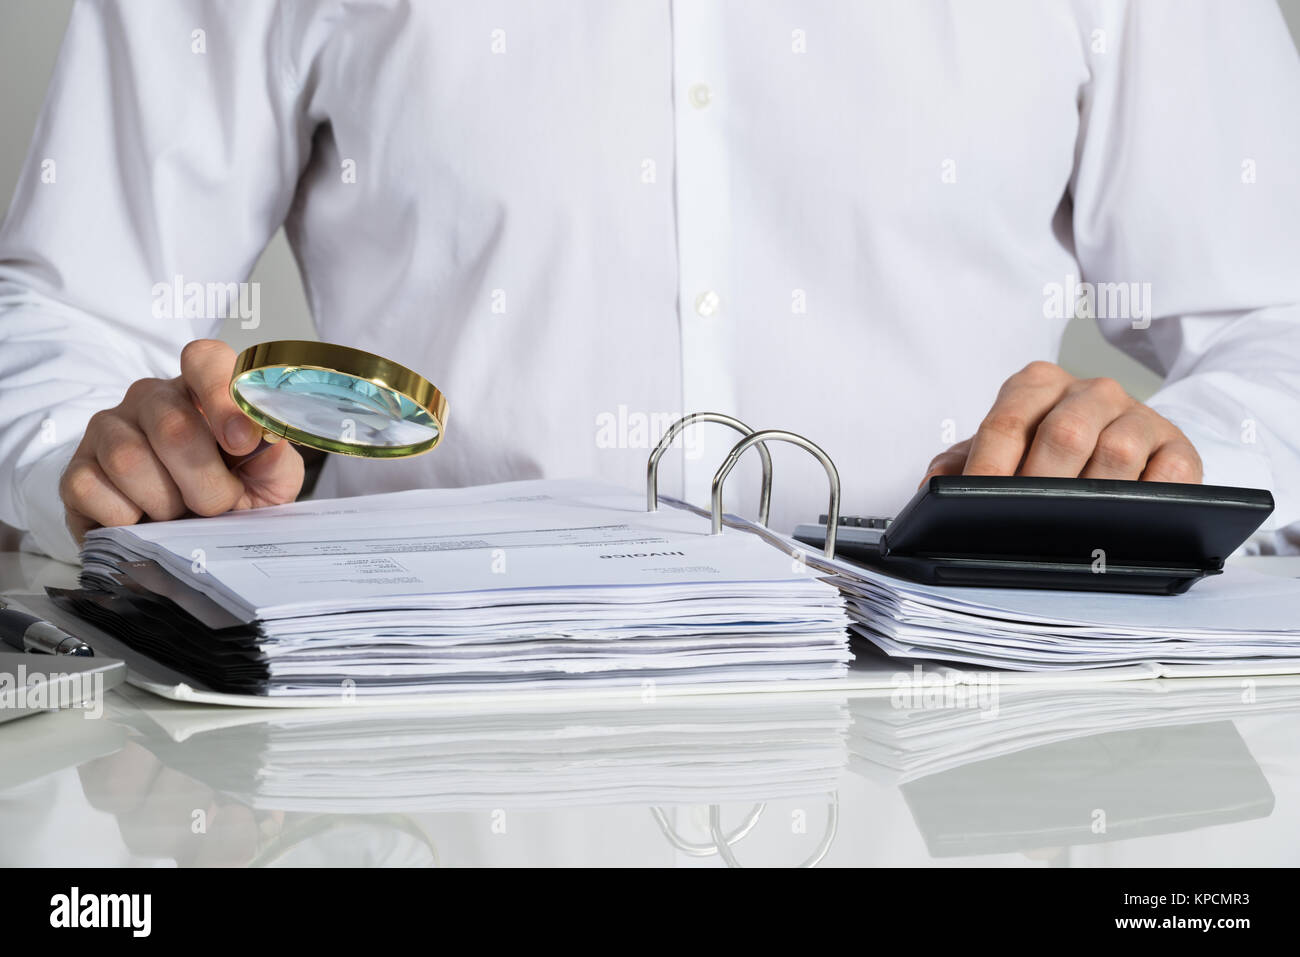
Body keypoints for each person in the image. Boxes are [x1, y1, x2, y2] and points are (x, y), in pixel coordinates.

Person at [1, 0, 1298, 565]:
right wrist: (106, 457)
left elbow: (1278, 321)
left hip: (958, 760)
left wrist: (1170, 455)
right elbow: (64, 317)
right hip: (415, 748)